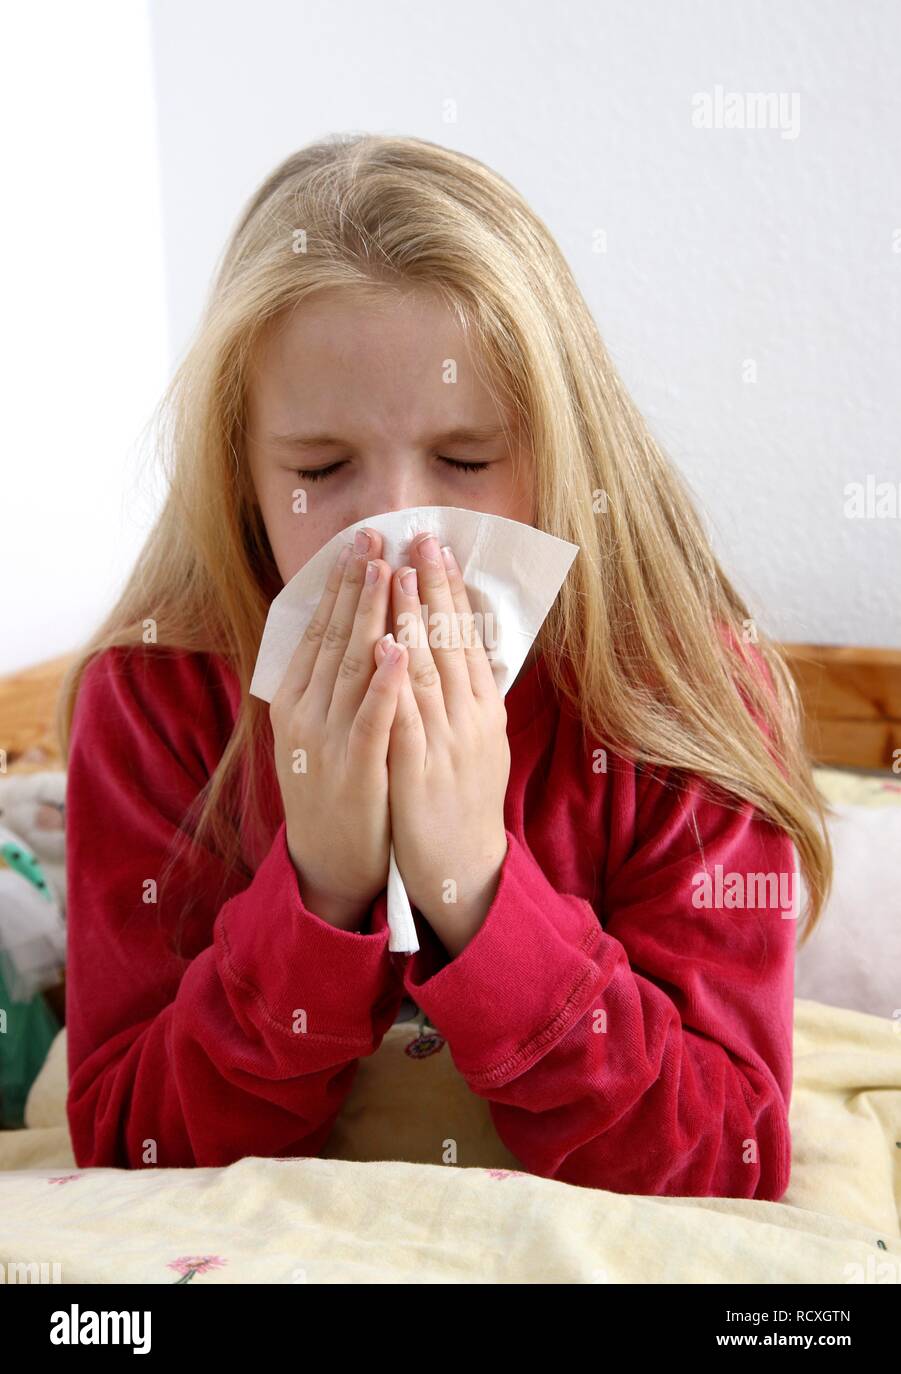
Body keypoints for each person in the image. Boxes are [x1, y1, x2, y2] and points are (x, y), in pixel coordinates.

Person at [57, 134, 832, 1194]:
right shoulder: (153, 698)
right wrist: (320, 892)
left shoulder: (675, 695)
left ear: (564, 450)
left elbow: (728, 1154)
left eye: (466, 460)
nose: (394, 528)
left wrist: (476, 883)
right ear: (239, 474)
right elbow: (128, 1140)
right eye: (320, 468)